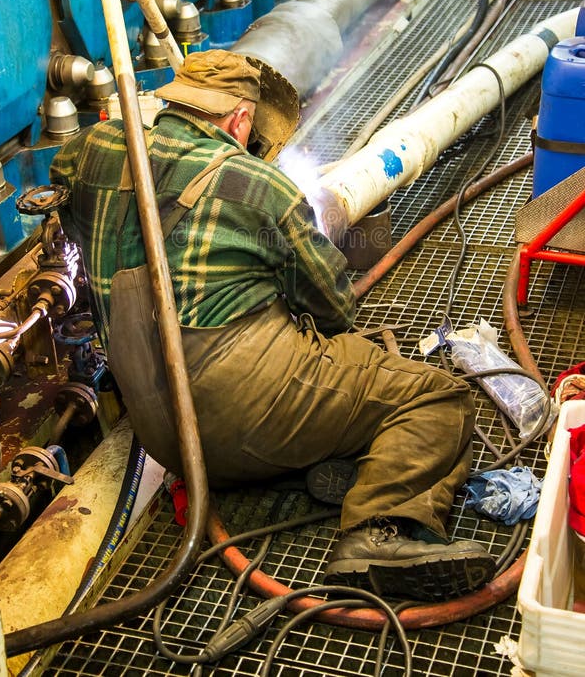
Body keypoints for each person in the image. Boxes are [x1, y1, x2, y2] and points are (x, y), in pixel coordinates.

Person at [50, 49, 496, 602]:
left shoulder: (92, 147)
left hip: (161, 433)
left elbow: (64, 197)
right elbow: (334, 309)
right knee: (435, 399)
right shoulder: (260, 185)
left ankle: (323, 456)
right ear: (241, 118)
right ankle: (377, 533)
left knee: (326, 396)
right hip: (239, 415)